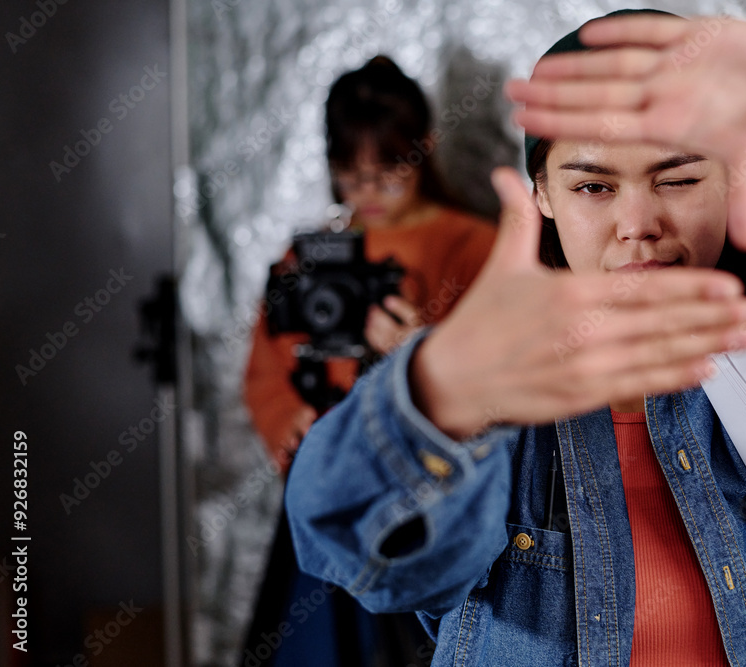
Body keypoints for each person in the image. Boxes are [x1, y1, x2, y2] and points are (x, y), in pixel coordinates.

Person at [285, 9, 746, 666]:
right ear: (541, 194)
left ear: (736, 177)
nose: (638, 223)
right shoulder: (494, 400)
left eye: (679, 177)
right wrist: (437, 394)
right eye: (594, 187)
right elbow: (345, 542)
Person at [241, 55, 495, 666]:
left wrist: (424, 349)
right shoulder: (308, 258)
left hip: (427, 497)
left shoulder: (472, 245)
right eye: (352, 179)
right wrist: (288, 419)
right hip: (330, 483)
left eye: (389, 175)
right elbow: (265, 361)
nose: (371, 195)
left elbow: (499, 369)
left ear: (424, 151)